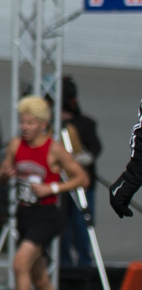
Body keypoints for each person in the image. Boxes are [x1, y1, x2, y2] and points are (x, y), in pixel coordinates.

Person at [0, 95, 87, 290]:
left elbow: (82, 178)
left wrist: (52, 187)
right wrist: (4, 174)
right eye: (23, 122)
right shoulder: (15, 146)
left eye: (31, 123)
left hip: (48, 216)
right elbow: (1, 175)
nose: (25, 127)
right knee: (39, 278)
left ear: (43, 124)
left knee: (20, 263)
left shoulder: (54, 149)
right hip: (25, 214)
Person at [58, 76, 101, 268]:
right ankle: (64, 263)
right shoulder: (52, 125)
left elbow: (95, 148)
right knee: (63, 227)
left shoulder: (85, 124)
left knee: (82, 225)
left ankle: (85, 264)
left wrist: (82, 158)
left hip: (83, 187)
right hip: (60, 186)